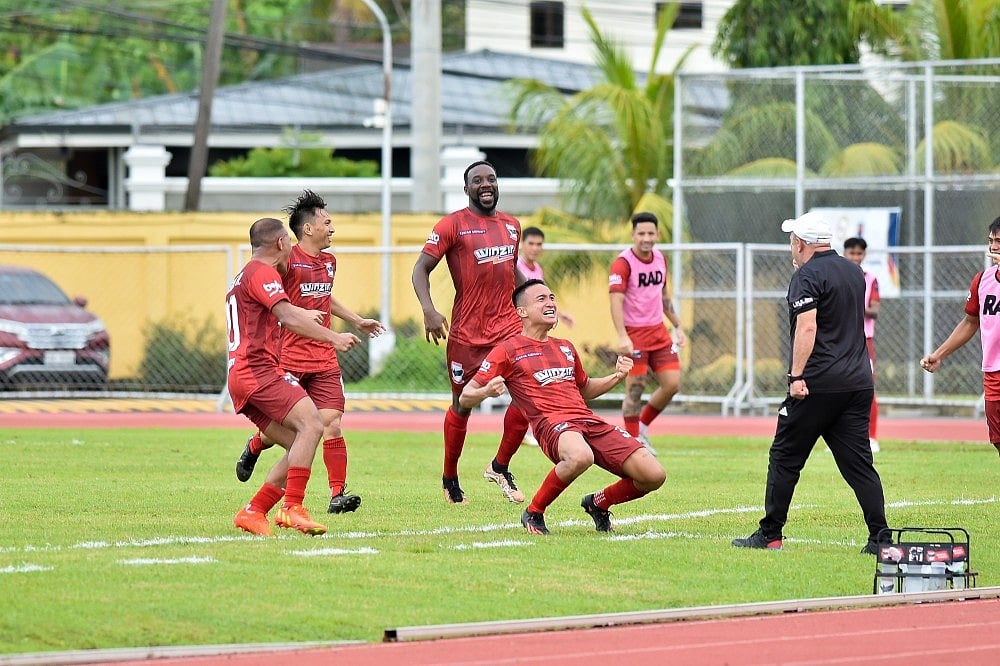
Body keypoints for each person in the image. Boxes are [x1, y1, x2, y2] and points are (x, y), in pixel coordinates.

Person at [733, 211, 889, 554]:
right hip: (858, 381)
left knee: (785, 457)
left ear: (802, 243)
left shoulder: (806, 275)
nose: (791, 245)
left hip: (818, 382)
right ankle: (880, 538)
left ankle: (770, 533)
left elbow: (808, 327)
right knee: (859, 464)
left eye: (792, 239)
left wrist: (796, 376)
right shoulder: (854, 271)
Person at [459, 279, 666, 535]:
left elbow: (586, 388)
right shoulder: (507, 350)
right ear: (522, 311)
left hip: (587, 420)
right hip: (552, 424)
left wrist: (617, 377)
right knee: (581, 456)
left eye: (552, 297)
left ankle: (597, 503)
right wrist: (485, 391)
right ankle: (534, 512)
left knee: (653, 474)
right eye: (541, 299)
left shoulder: (565, 347)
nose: (550, 303)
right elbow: (465, 396)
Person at [235, 190, 385, 515]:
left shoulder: (329, 262)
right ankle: (257, 443)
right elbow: (280, 306)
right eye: (327, 222)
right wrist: (306, 319)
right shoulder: (285, 263)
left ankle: (336, 495)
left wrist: (357, 321)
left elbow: (324, 296)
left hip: (325, 359)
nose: (332, 228)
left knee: (330, 424)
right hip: (289, 356)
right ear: (308, 229)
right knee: (294, 431)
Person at [227, 217, 361, 537]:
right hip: (259, 371)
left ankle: (254, 510)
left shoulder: (246, 274)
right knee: (313, 424)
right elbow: (285, 315)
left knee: (298, 442)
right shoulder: (262, 272)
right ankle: (292, 507)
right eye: (288, 241)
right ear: (281, 243)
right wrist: (333, 338)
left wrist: (303, 314)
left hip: (241, 376)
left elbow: (282, 310)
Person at [411, 160, 531, 505]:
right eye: (477, 180)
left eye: (491, 178)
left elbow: (511, 271)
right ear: (467, 190)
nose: (486, 184)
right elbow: (421, 268)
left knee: (526, 396)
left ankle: (500, 466)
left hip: (508, 329)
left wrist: (536, 295)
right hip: (467, 336)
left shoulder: (512, 225)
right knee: (462, 406)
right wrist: (429, 310)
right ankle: (450, 476)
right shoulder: (452, 225)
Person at [920, 215, 1000, 459]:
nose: (993, 247)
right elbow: (970, 322)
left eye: (999, 241)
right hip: (993, 372)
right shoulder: (982, 281)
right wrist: (938, 354)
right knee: (997, 439)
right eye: (991, 241)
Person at [609, 212, 686, 457]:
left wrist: (678, 325)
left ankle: (641, 428)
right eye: (641, 233)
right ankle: (632, 443)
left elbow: (663, 296)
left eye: (650, 233)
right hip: (634, 334)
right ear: (633, 235)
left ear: (657, 235)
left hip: (658, 333)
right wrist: (622, 336)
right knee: (635, 389)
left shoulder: (660, 259)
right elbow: (615, 300)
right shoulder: (623, 263)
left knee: (672, 384)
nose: (646, 238)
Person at [843, 237, 881, 453]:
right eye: (851, 253)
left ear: (864, 255)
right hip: (840, 340)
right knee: (839, 388)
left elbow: (874, 310)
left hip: (863, 340)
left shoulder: (871, 279)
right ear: (845, 253)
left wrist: (855, 306)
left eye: (859, 254)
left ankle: (872, 436)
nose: (855, 257)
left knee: (867, 388)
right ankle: (840, 438)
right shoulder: (837, 277)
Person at [517, 226, 574, 328]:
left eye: (539, 244)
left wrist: (559, 314)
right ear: (522, 244)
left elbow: (540, 298)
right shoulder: (515, 267)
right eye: (531, 243)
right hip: (515, 321)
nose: (535, 248)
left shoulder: (538, 269)